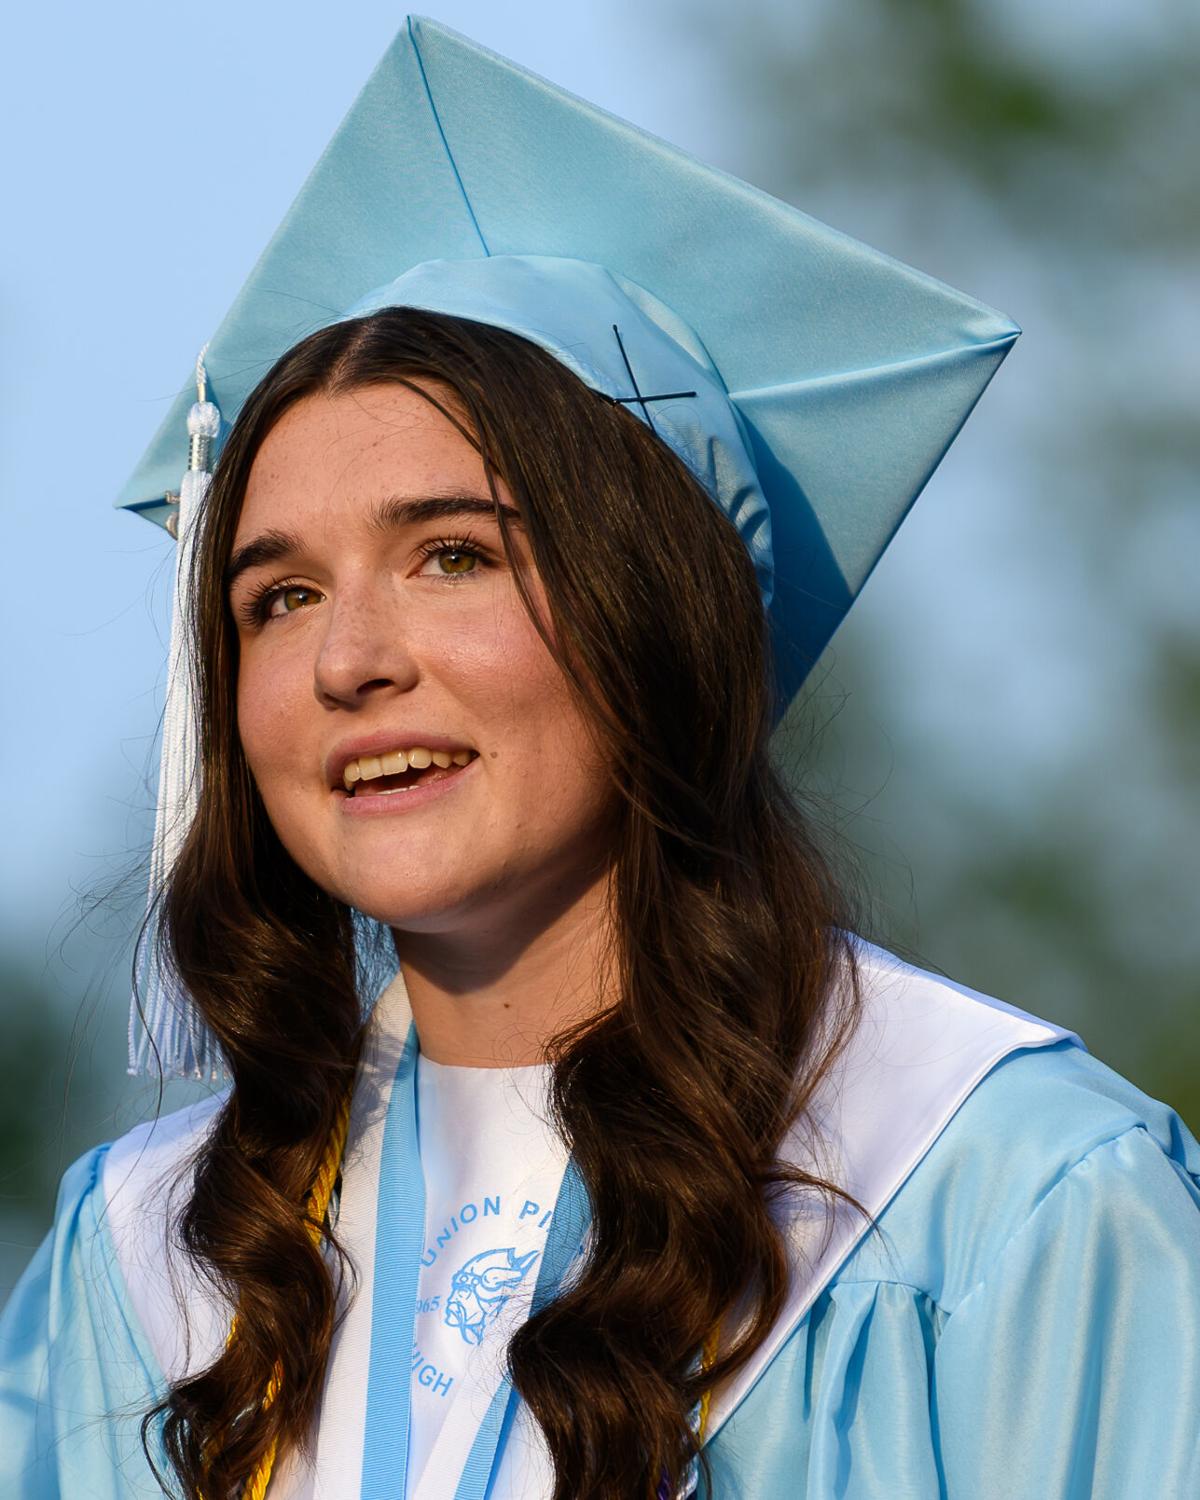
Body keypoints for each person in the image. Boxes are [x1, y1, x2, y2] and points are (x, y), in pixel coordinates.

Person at [2, 17, 1198, 1500]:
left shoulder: (1001, 1198)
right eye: (279, 595)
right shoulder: (150, 1275)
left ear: (663, 618)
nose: (346, 660)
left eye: (451, 555)